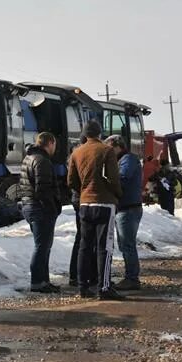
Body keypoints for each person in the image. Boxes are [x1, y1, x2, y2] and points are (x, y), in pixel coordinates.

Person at [68, 120, 123, 300]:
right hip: (104, 204)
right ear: (100, 133)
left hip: (85, 204)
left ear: (84, 134)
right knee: (104, 247)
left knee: (84, 246)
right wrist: (117, 194)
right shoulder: (106, 150)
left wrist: (84, 191)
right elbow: (113, 178)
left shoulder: (76, 152)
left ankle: (83, 287)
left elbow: (71, 181)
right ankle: (104, 288)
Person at [19, 132, 63, 293]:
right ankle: (38, 282)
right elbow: (42, 189)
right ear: (50, 143)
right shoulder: (42, 161)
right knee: (42, 246)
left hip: (29, 205)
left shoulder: (28, 158)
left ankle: (44, 281)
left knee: (43, 246)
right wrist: (52, 208)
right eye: (54, 145)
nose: (55, 148)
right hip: (40, 208)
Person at [105, 135, 144, 291]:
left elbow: (122, 178)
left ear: (117, 146)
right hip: (125, 208)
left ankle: (132, 278)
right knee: (125, 244)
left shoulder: (128, 160)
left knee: (127, 245)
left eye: (109, 149)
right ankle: (131, 276)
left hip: (128, 209)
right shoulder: (123, 160)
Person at [68, 135, 88, 288]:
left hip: (78, 199)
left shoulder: (74, 155)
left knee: (80, 238)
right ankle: (80, 275)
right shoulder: (84, 156)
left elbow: (71, 181)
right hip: (84, 200)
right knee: (84, 239)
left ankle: (75, 275)